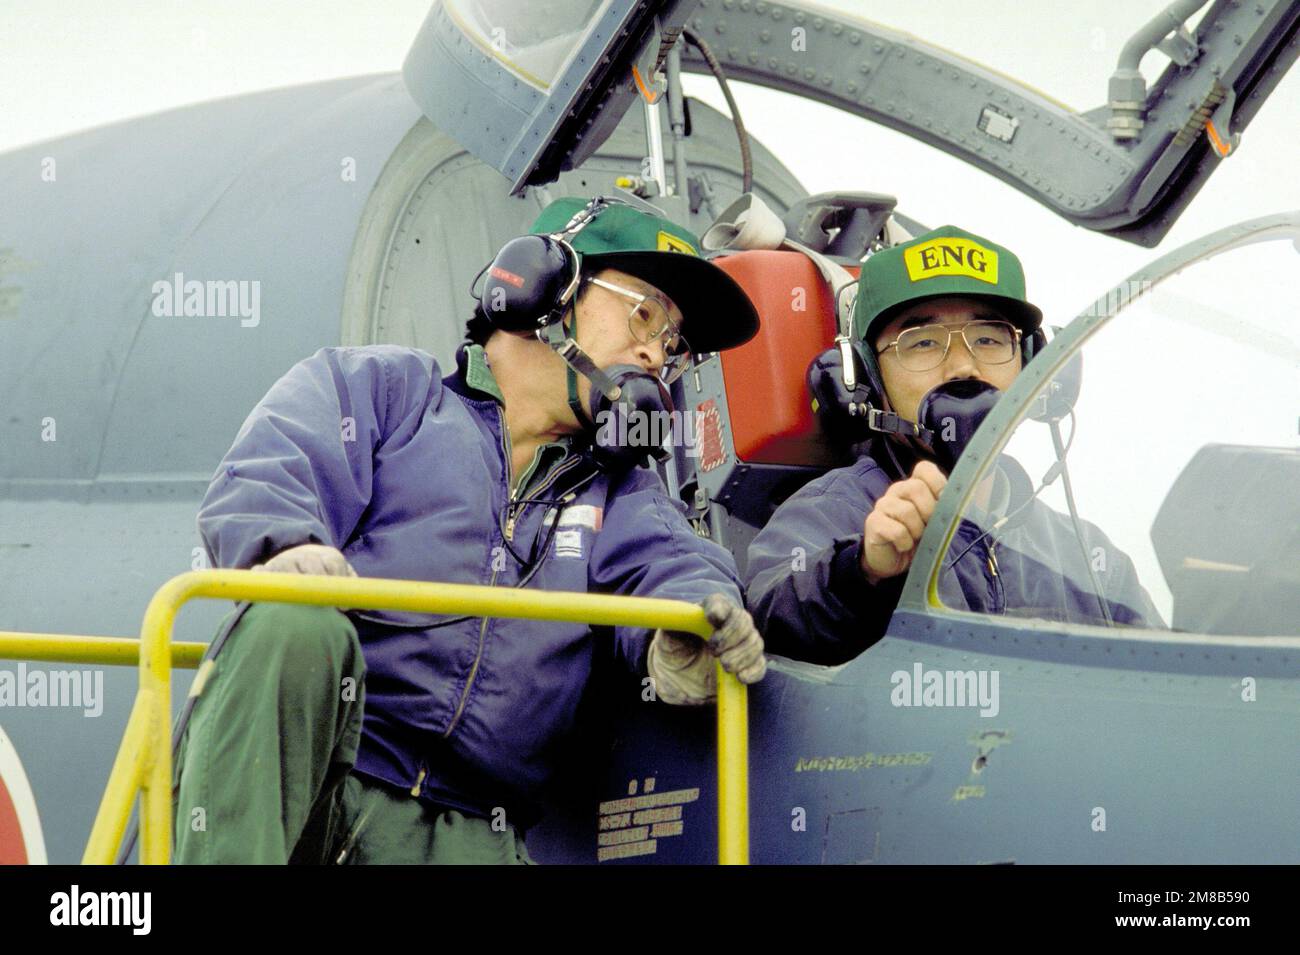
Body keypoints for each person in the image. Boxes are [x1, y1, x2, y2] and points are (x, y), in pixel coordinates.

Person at [174, 196, 768, 864]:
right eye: (645, 313)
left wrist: (690, 628)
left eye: (673, 343)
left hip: (472, 833)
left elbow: (682, 564)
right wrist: (287, 550)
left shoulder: (623, 493)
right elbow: (271, 470)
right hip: (316, 786)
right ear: (545, 286)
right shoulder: (386, 393)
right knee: (293, 623)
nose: (656, 354)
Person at [745, 225, 1161, 666]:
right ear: (864, 379)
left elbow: (1167, 680)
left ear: (1035, 368)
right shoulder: (826, 514)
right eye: (922, 342)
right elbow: (767, 623)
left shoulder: (1084, 555)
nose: (963, 366)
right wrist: (862, 572)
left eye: (988, 338)